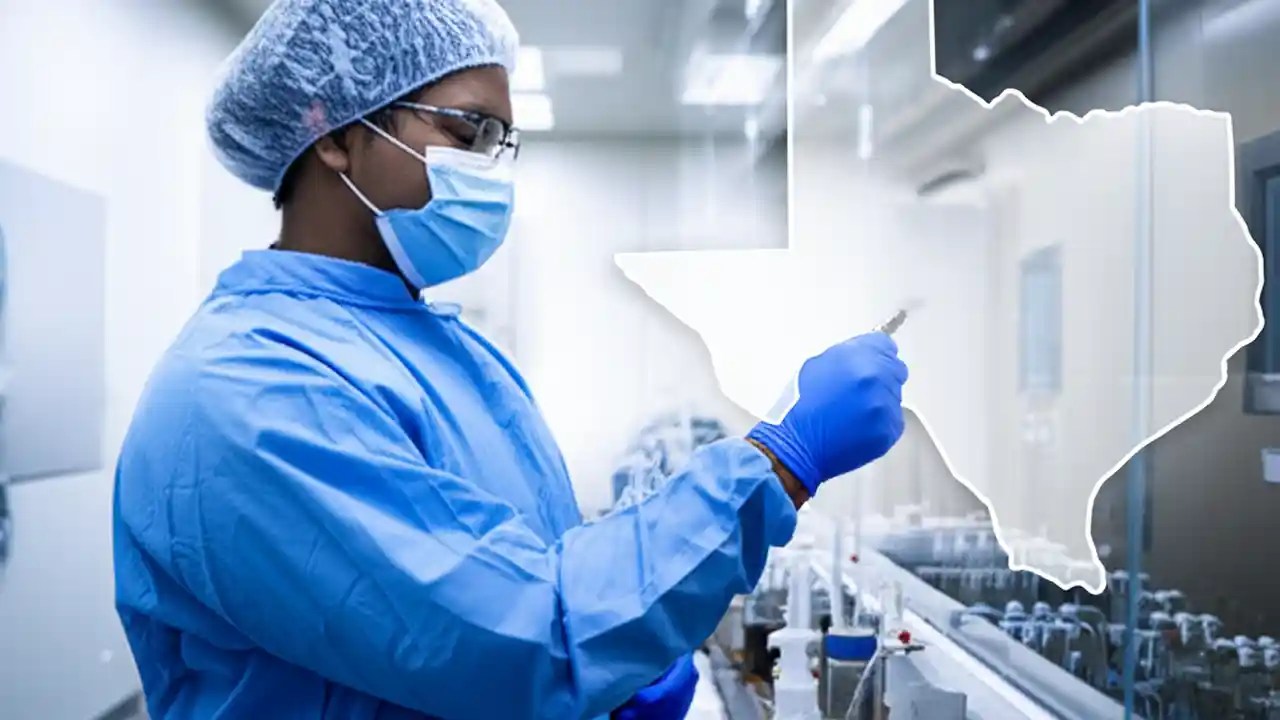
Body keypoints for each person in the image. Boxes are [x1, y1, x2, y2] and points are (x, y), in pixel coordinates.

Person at [111, 1, 910, 718]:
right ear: (335, 133)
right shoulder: (249, 388)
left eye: (504, 143)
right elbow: (524, 637)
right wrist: (781, 460)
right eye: (469, 132)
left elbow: (527, 571)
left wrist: (610, 679)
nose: (492, 170)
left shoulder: (447, 350)